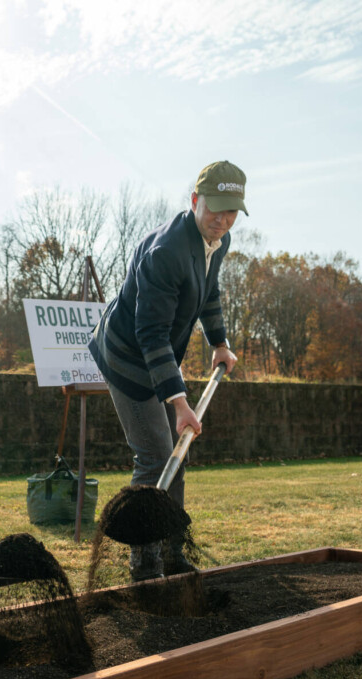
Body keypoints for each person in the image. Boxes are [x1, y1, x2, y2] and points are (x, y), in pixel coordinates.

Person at [88, 161, 246, 581]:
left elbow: (208, 293)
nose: (223, 220)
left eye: (232, 212)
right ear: (195, 201)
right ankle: (144, 564)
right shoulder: (167, 253)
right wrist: (179, 403)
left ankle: (172, 550)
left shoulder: (219, 239)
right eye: (216, 209)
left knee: (177, 451)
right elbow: (152, 334)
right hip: (127, 356)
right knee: (156, 454)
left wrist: (219, 343)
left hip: (154, 354)